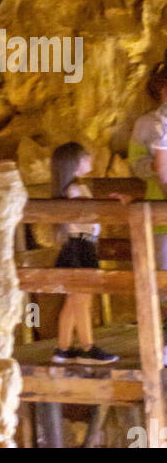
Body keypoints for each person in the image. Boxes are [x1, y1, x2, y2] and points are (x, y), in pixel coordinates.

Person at [51, 142, 119, 364]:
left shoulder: (76, 187)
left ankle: (63, 348)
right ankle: (87, 347)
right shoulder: (73, 190)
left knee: (74, 300)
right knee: (82, 300)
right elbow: (87, 209)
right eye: (86, 158)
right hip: (79, 248)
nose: (91, 160)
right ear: (74, 164)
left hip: (81, 246)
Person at [128, 62, 167, 270]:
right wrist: (155, 166)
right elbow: (135, 163)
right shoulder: (145, 124)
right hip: (159, 209)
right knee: (162, 277)